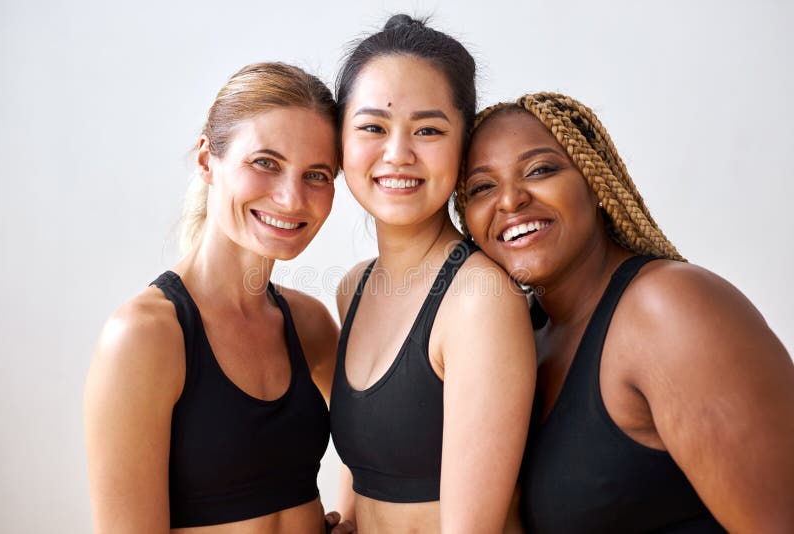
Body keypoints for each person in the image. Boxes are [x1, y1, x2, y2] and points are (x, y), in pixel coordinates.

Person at [455, 92, 794, 533]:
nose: (510, 201)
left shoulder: (669, 308)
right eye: (482, 188)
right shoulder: (520, 337)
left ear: (595, 181)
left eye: (540, 170)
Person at [84, 62, 351, 533]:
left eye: (317, 174)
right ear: (207, 160)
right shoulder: (145, 336)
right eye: (265, 163)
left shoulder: (309, 323)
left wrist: (352, 517)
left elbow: (368, 443)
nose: (292, 198)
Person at [329, 15, 536, 533]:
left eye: (428, 130)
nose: (398, 154)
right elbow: (367, 469)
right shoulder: (353, 289)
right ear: (340, 141)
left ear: (464, 145)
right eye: (373, 127)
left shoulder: (479, 301)